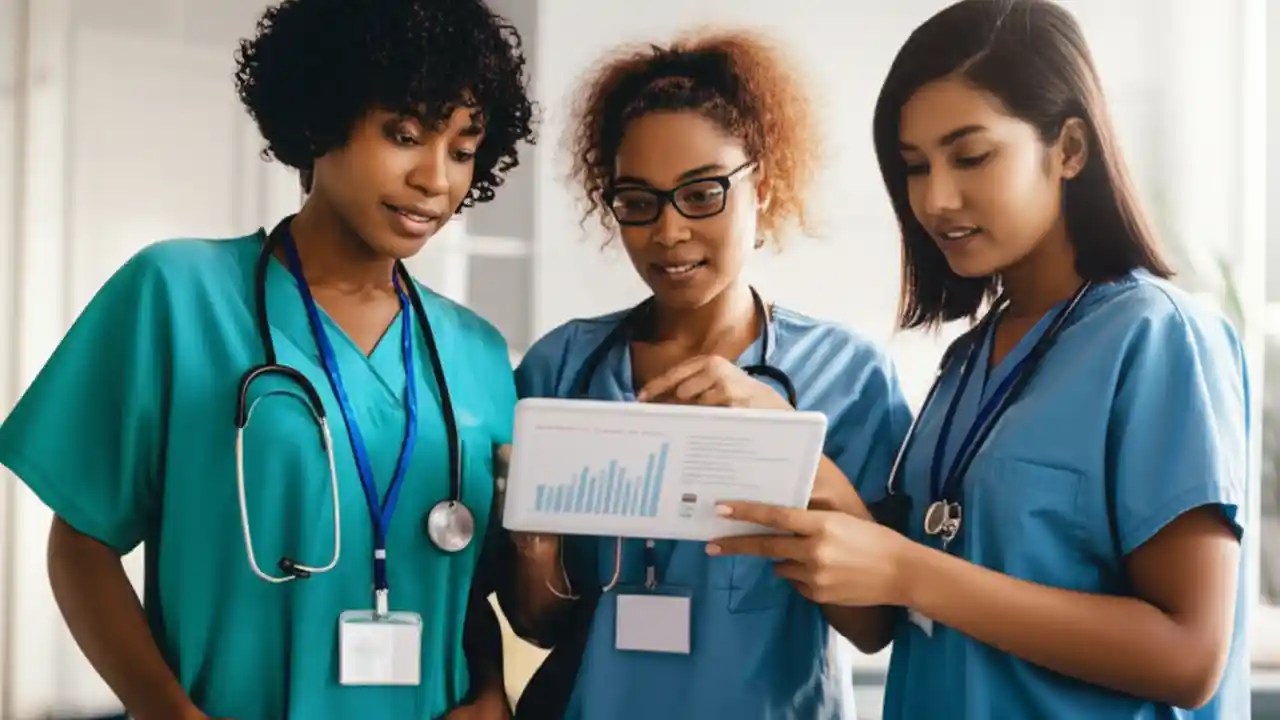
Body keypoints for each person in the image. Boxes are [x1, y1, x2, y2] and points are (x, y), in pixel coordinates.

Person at [709, 1, 1251, 718]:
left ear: (1070, 150)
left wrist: (908, 571)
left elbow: (1188, 657)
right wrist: (809, 472)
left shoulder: (1157, 337)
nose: (936, 199)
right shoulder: (968, 359)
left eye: (972, 156)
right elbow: (904, 602)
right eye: (914, 167)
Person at [0, 1, 536, 718]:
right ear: (322, 116)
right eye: (404, 135)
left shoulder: (474, 353)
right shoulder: (177, 296)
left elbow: (463, 581)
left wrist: (491, 692)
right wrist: (165, 710)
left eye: (463, 149)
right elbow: (81, 543)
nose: (436, 179)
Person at [495, 29, 912, 720]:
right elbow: (540, 624)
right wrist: (534, 547)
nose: (668, 232)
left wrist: (785, 446)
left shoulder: (849, 376)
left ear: (765, 186)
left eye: (702, 193)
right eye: (637, 200)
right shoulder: (561, 367)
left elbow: (874, 627)